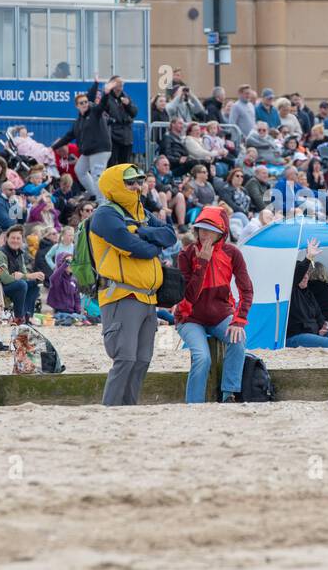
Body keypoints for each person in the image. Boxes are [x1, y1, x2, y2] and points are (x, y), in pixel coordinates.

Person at [89, 164, 178, 406]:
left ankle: (129, 411)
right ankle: (110, 410)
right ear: (116, 184)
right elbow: (135, 247)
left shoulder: (141, 213)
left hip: (148, 298)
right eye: (130, 182)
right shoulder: (105, 214)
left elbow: (171, 235)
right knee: (125, 359)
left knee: (142, 360)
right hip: (122, 295)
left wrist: (141, 231)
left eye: (139, 181)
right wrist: (152, 241)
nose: (137, 186)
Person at [173, 206, 254, 403]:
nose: (204, 234)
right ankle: (194, 404)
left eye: (210, 230)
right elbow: (188, 296)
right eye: (201, 229)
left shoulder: (233, 253)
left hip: (220, 314)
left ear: (222, 232)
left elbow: (246, 290)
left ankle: (229, 394)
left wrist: (239, 319)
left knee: (239, 339)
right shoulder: (186, 255)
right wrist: (202, 264)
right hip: (189, 317)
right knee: (202, 357)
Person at [55, 83, 112, 200]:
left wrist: (105, 93)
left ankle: (102, 203)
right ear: (77, 106)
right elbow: (68, 136)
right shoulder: (79, 121)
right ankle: (95, 195)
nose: (85, 104)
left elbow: (101, 105)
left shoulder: (94, 112)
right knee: (79, 169)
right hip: (89, 152)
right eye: (81, 103)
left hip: (100, 149)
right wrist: (53, 147)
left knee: (97, 176)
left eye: (86, 102)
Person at [0, 225, 43, 324]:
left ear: (22, 240)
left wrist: (34, 276)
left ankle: (28, 315)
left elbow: (23, 274)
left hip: (13, 285)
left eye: (18, 238)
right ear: (7, 239)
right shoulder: (0, 254)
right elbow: (5, 279)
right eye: (13, 238)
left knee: (35, 283)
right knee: (21, 284)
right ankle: (19, 317)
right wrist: (26, 276)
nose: (15, 241)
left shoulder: (19, 253)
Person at [102, 77, 137, 167]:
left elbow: (134, 112)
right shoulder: (107, 98)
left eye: (122, 83)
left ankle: (123, 181)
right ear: (112, 84)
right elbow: (102, 110)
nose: (121, 85)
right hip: (113, 135)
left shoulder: (125, 97)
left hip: (126, 136)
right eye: (118, 83)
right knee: (112, 163)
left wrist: (128, 105)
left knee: (125, 165)